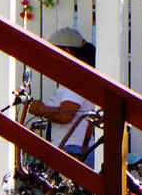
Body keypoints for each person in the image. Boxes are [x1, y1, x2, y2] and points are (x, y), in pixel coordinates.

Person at [28, 27, 95, 162]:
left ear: (67, 51)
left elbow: (65, 115)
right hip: (71, 148)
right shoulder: (77, 78)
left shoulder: (77, 79)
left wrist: (39, 109)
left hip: (73, 150)